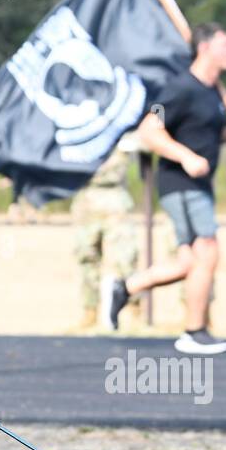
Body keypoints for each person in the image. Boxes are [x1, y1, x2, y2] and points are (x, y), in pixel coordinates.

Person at [104, 22, 226, 355]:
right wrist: (186, 157)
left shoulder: (214, 91)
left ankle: (125, 287)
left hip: (199, 184)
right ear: (205, 48)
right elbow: (149, 128)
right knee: (208, 252)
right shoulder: (178, 88)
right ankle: (193, 332)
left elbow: (201, 133)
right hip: (182, 183)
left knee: (188, 264)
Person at [71, 133, 140, 329]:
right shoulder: (80, 125)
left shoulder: (122, 122)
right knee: (86, 257)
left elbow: (148, 138)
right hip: (86, 196)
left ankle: (134, 311)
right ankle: (89, 311)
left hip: (114, 196)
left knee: (125, 258)